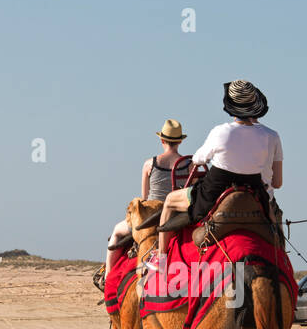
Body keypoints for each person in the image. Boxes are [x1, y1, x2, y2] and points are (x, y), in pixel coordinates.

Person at [146, 82, 282, 284]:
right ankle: (281, 260)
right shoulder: (271, 136)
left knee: (169, 201)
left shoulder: (221, 131)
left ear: (230, 106)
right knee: (275, 226)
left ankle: (161, 258)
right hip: (255, 194)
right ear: (255, 106)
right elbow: (277, 182)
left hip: (214, 193)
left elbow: (198, 160)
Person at [104, 119, 193, 278]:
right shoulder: (190, 164)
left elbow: (144, 198)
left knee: (117, 232)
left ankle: (108, 278)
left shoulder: (149, 164)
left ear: (162, 140)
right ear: (179, 141)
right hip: (179, 215)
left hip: (151, 215)